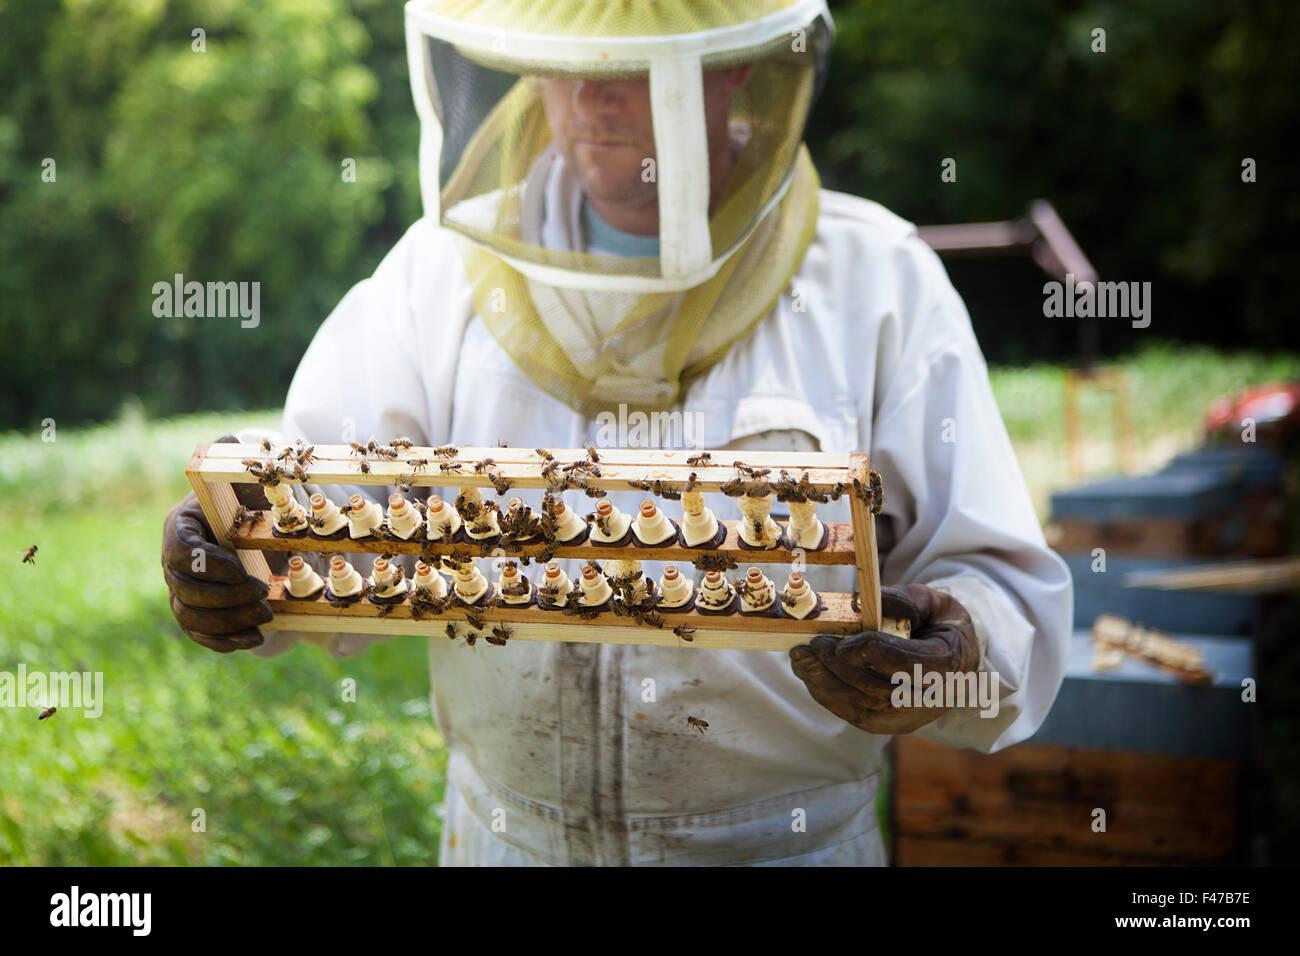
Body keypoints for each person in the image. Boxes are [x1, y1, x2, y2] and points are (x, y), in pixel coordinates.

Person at [162, 0, 1072, 865]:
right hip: (504, 841)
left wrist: (952, 653)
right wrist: (233, 552)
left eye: (628, 68)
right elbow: (322, 524)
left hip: (782, 848)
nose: (586, 99)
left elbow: (1006, 601)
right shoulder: (435, 276)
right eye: (560, 62)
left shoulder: (877, 281)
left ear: (737, 68)